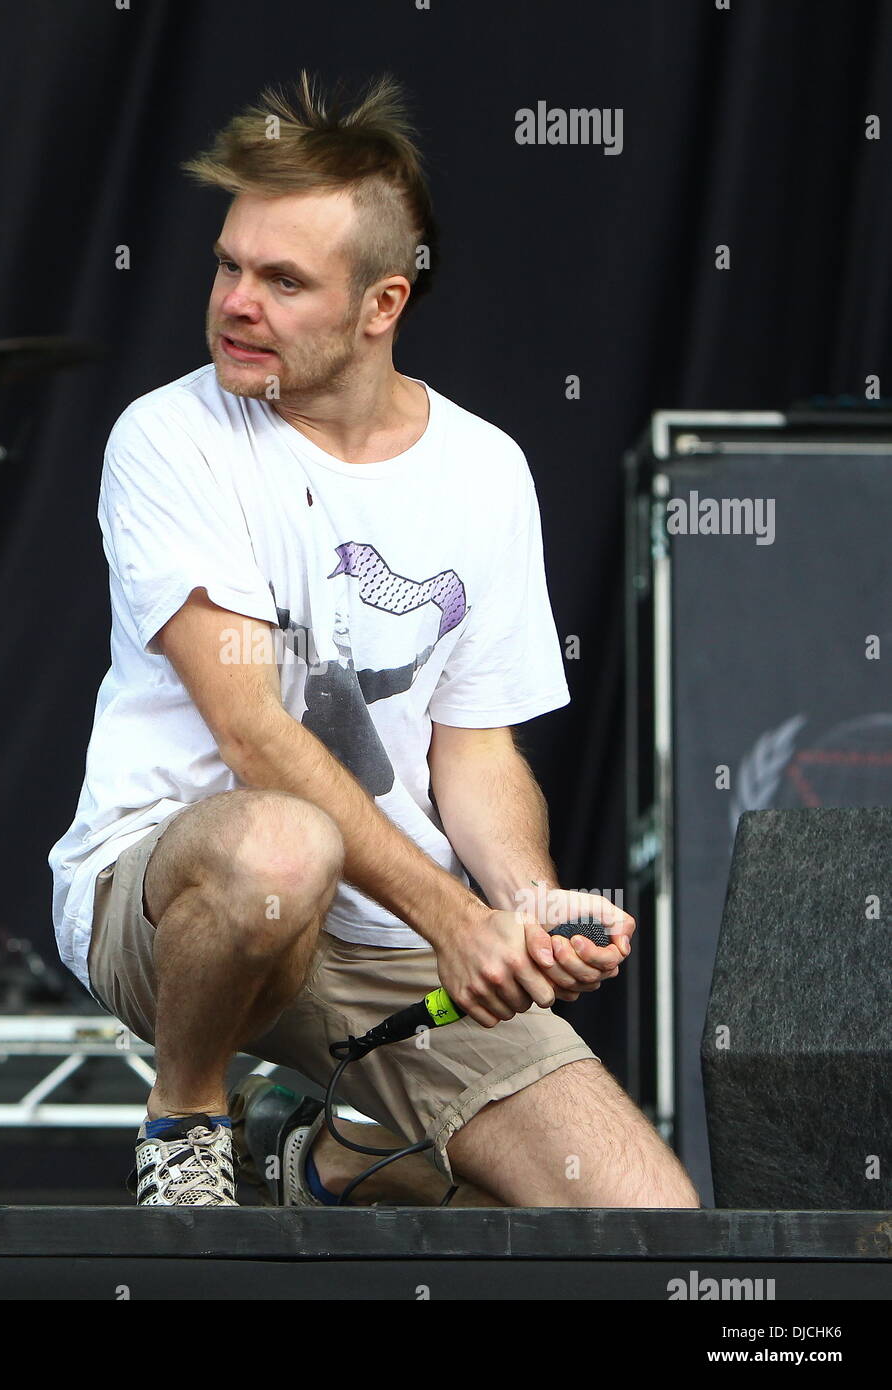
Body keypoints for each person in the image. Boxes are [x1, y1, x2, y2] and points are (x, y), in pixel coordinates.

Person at [48, 70, 699, 1211]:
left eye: (283, 281)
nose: (235, 303)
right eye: (228, 266)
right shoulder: (168, 438)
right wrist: (455, 920)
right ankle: (192, 1121)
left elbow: (476, 752)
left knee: (642, 1221)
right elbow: (252, 731)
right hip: (182, 895)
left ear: (382, 304)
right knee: (282, 850)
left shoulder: (485, 469)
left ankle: (335, 1159)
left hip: (386, 925)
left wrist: (524, 907)